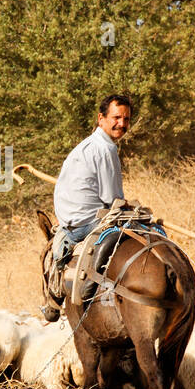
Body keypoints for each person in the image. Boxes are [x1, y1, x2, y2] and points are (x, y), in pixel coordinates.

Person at [42, 94, 132, 317]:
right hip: (87, 222)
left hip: (72, 219)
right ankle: (91, 288)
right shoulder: (106, 149)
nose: (121, 124)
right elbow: (113, 200)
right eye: (116, 117)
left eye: (126, 119)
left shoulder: (89, 145)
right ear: (101, 118)